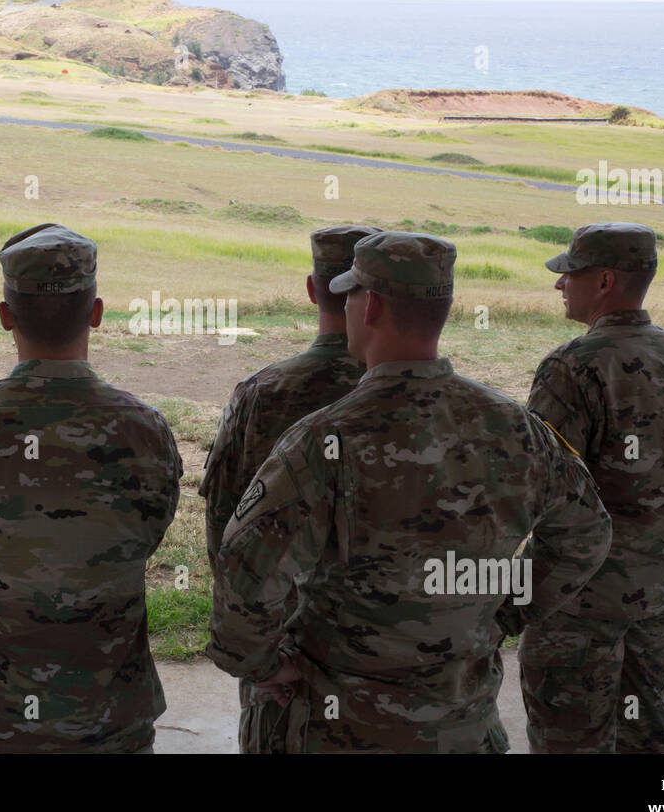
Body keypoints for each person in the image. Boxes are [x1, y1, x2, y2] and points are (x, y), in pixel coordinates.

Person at [207, 231, 612, 753]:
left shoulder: (322, 440)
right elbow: (587, 534)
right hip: (461, 726)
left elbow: (244, 575)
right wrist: (508, 613)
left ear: (368, 304)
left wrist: (263, 664)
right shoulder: (516, 428)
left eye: (350, 294)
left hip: (338, 728)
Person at [0, 223, 183, 753]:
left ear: (6, 315)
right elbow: (149, 531)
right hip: (106, 712)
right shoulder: (145, 430)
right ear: (96, 313)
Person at [521, 222, 664, 753]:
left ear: (605, 280)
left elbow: (538, 490)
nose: (560, 284)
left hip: (583, 596)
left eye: (571, 274)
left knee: (570, 735)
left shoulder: (574, 366)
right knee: (646, 725)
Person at [200, 224, 377, 754]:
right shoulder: (444, 402)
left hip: (290, 661)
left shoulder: (263, 394)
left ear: (310, 288)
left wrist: (258, 654)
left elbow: (225, 535)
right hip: (408, 653)